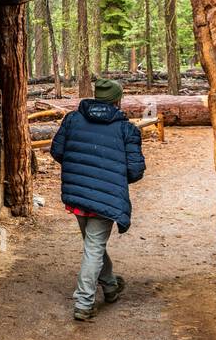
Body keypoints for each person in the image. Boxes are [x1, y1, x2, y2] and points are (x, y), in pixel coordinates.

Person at [49, 78, 145, 321]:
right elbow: (135, 171)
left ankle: (111, 285)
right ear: (117, 100)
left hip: (78, 196)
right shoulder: (126, 129)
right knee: (94, 247)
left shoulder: (72, 120)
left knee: (93, 246)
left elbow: (57, 151)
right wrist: (110, 180)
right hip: (107, 200)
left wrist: (80, 172)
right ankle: (83, 302)